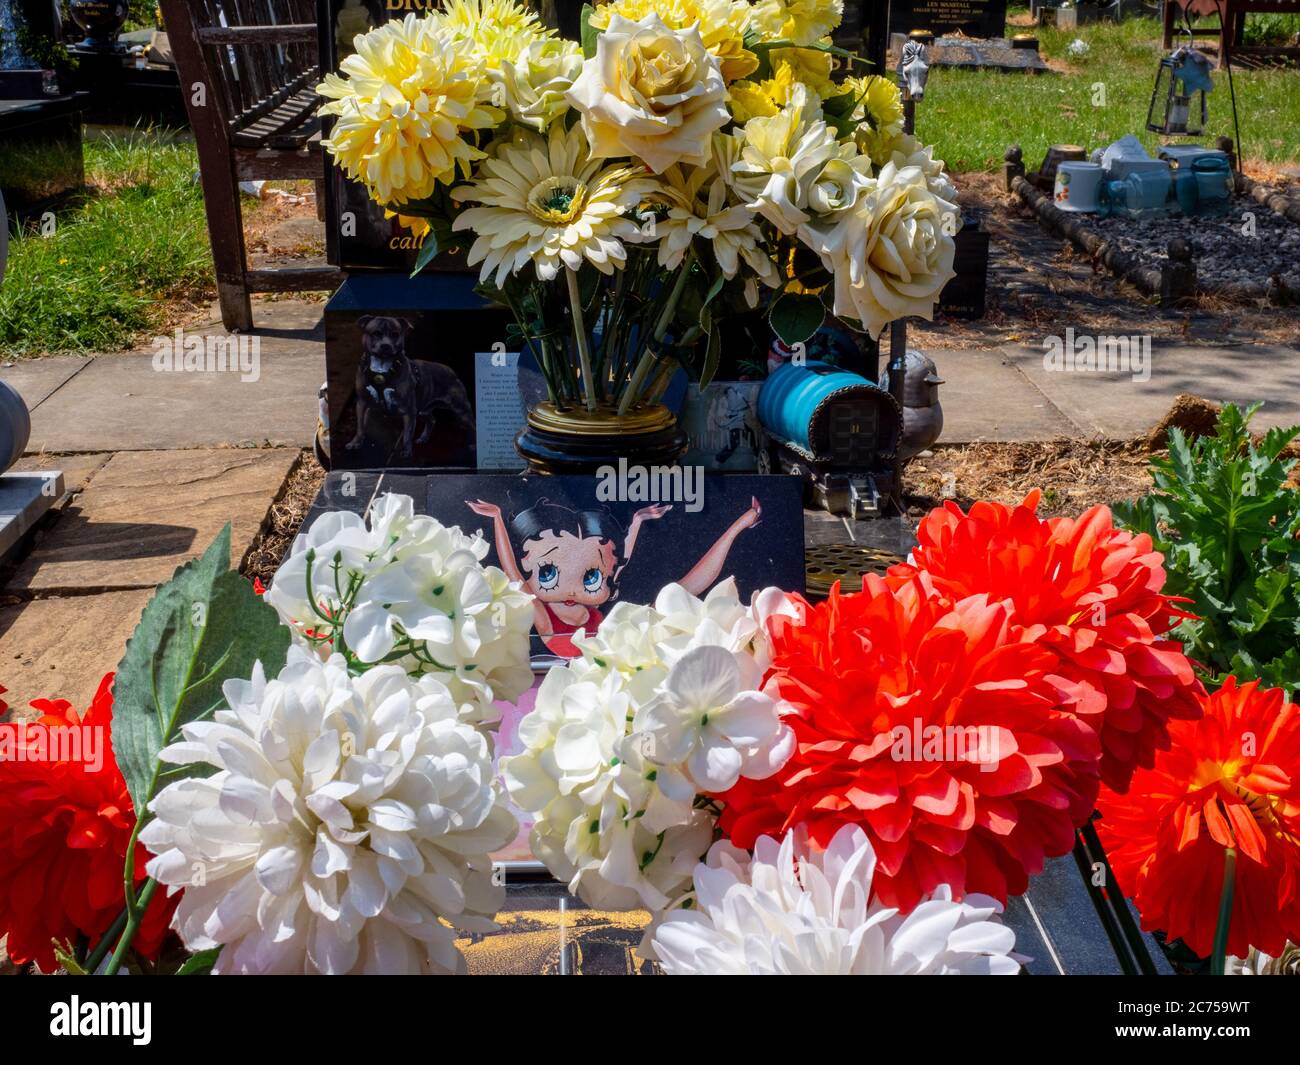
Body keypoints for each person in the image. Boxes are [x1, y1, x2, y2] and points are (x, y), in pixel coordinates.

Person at [467, 494, 762, 656]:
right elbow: (513, 573)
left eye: (591, 579)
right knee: (676, 596)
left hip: (615, 638)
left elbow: (618, 561)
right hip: (609, 651)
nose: (571, 591)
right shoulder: (541, 614)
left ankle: (738, 525)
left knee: (679, 593)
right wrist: (497, 519)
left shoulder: (597, 605)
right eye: (547, 573)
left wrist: (637, 522)